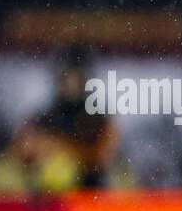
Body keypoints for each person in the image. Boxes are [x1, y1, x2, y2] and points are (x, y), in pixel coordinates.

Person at [14, 48, 117, 192]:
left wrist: (61, 147)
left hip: (88, 197)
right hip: (48, 200)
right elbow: (24, 153)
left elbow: (101, 159)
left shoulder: (99, 119)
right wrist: (38, 149)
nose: (70, 85)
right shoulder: (43, 118)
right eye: (66, 78)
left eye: (76, 79)